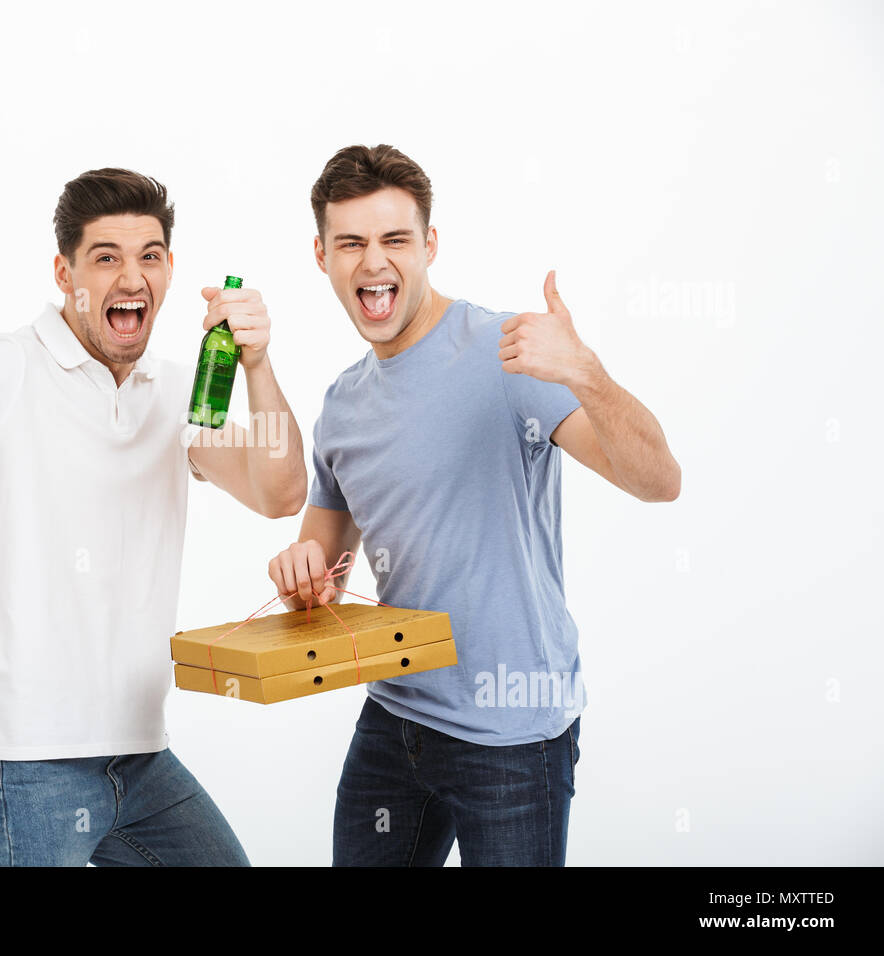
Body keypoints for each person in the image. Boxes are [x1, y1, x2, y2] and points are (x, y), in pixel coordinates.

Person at [0, 169, 307, 865]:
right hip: (28, 756)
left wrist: (260, 365)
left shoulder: (179, 391)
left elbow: (281, 492)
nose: (131, 277)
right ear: (65, 273)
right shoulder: (6, 372)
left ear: (171, 270)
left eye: (149, 256)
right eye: (106, 257)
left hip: (140, 755)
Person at [267, 144, 681, 867]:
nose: (373, 262)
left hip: (512, 739)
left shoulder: (510, 352)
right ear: (322, 254)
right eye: (351, 243)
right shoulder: (342, 405)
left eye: (395, 239)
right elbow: (325, 579)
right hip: (394, 721)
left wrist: (585, 370)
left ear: (429, 245)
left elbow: (659, 478)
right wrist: (303, 572)